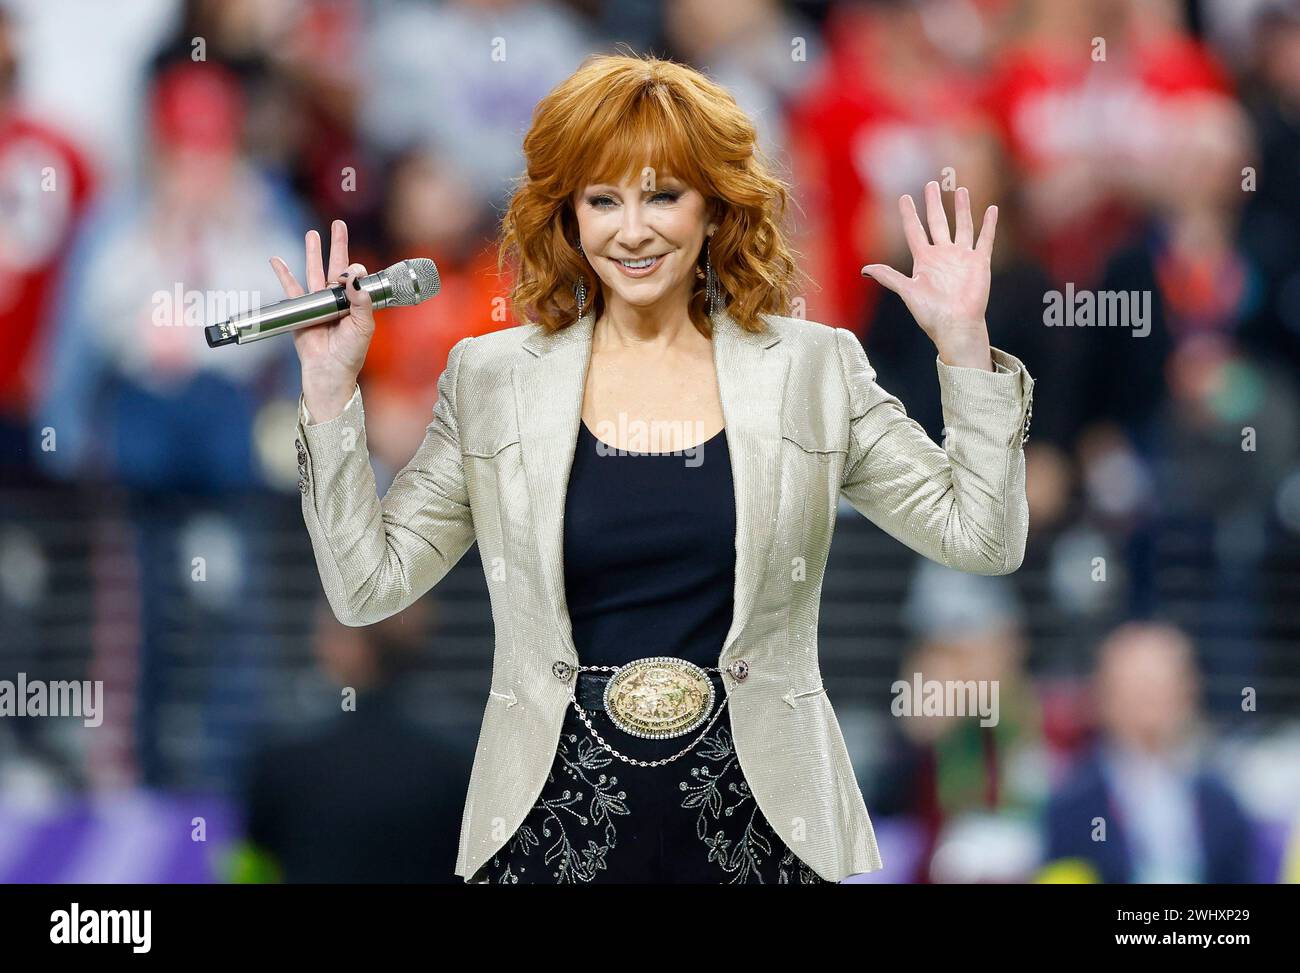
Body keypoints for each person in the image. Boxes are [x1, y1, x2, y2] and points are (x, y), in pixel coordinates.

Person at [272, 53, 1035, 884]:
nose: (632, 230)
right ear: (567, 216)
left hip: (762, 829)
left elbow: (982, 536)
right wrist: (330, 393)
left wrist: (963, 350)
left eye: (662, 195)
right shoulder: (491, 379)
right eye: (603, 200)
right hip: (552, 827)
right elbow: (365, 586)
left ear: (715, 206)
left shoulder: (813, 369)